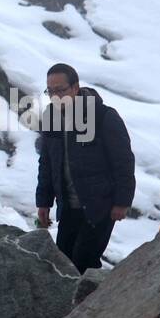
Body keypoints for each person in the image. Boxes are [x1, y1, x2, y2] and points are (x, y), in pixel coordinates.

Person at [36, 63, 135, 273]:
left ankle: (90, 305)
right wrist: (43, 202)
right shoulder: (51, 117)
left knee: (83, 262)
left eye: (60, 90)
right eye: (50, 91)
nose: (55, 96)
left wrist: (122, 202)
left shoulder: (102, 116)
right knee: (62, 262)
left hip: (100, 206)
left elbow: (123, 161)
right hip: (68, 206)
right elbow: (47, 163)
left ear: (75, 88)